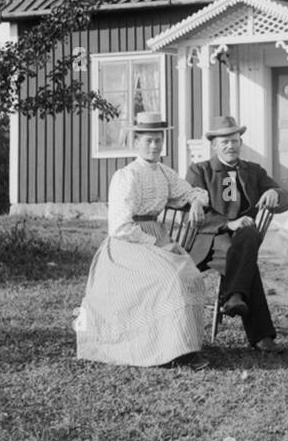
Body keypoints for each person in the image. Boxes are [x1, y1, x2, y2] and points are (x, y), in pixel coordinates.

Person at [75, 112, 211, 368]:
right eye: (148, 140)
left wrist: (195, 202)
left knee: (188, 274)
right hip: (128, 244)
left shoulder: (164, 172)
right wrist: (153, 243)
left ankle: (183, 346)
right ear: (135, 142)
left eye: (158, 140)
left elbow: (192, 192)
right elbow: (120, 226)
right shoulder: (126, 176)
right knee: (169, 278)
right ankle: (168, 349)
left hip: (156, 234)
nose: (154, 145)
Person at [186, 114, 288, 351]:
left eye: (234, 140)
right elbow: (195, 213)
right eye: (224, 141)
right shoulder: (199, 171)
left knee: (249, 233)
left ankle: (234, 297)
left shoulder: (253, 171)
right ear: (214, 145)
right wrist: (229, 224)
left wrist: (277, 193)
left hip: (244, 240)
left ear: (241, 143)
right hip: (211, 242)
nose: (230, 146)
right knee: (245, 255)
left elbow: (287, 197)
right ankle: (261, 335)